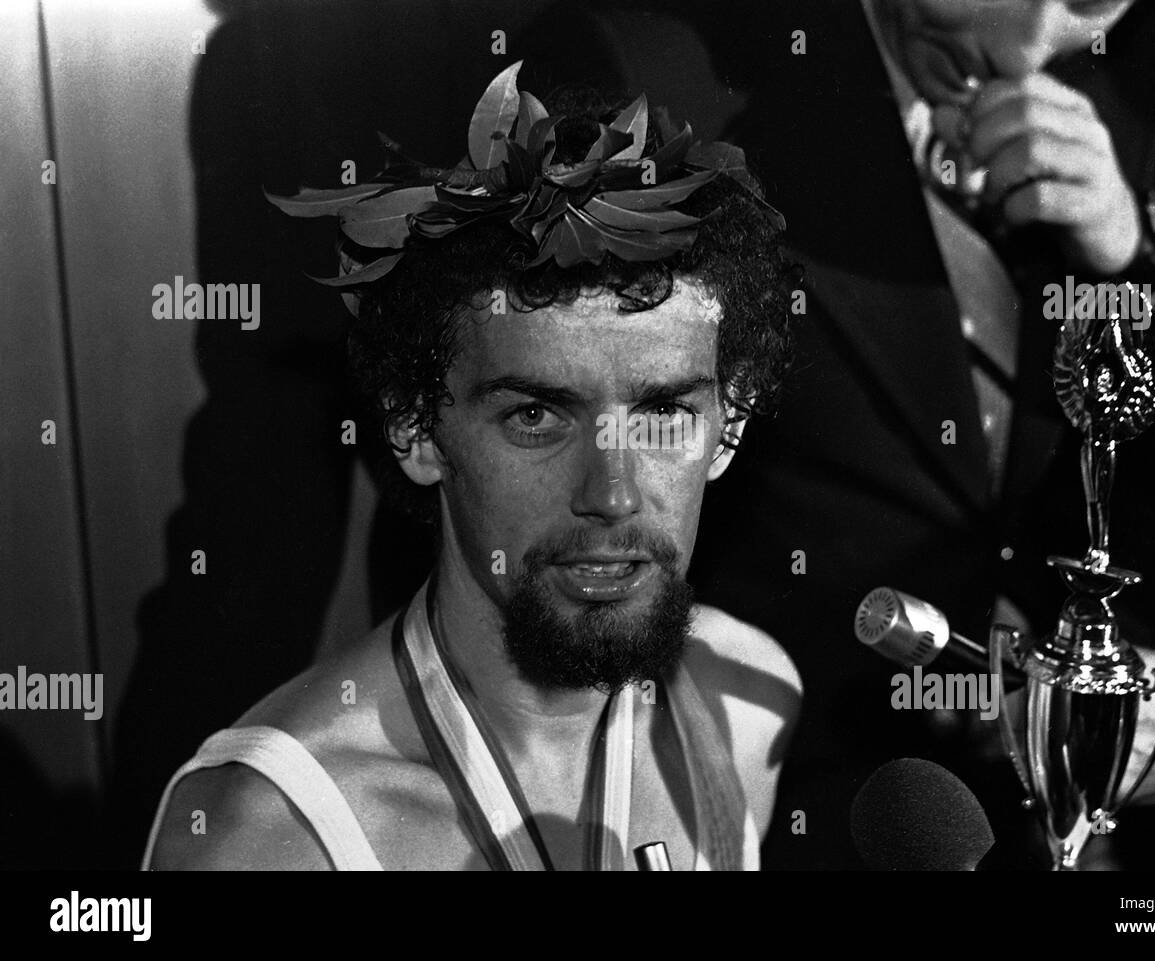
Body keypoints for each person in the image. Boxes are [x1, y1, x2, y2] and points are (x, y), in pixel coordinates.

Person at [672, 0, 1155, 869]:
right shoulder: (668, 60)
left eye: (1090, 4)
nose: (1033, 44)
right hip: (798, 785)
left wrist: (1141, 249)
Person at [142, 67, 802, 871]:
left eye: (665, 414)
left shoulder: (752, 706)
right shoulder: (271, 830)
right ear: (417, 429)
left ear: (728, 426)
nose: (614, 493)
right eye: (536, 416)